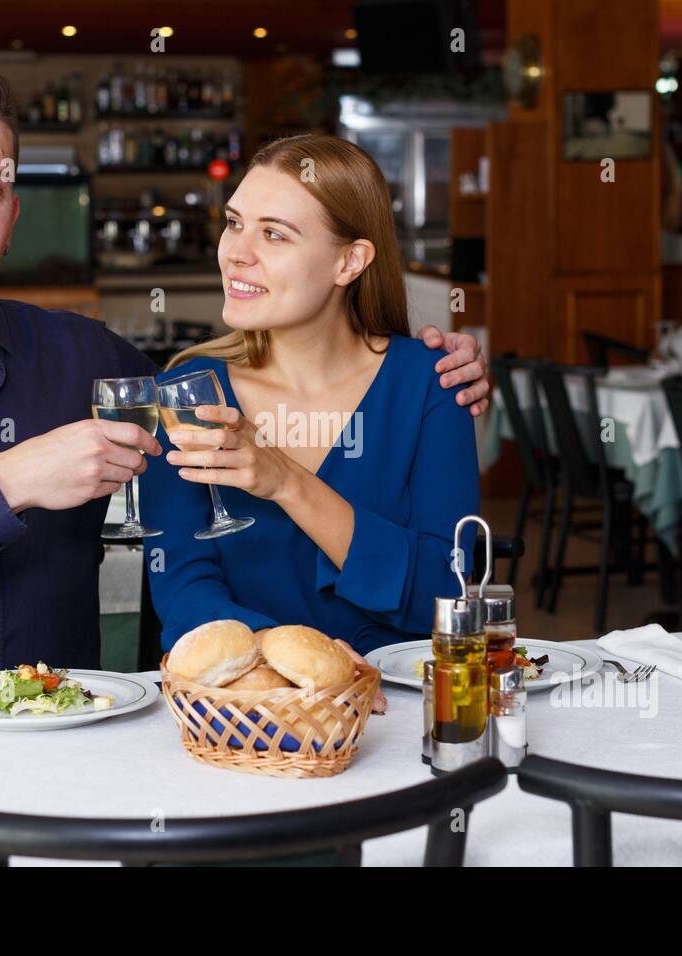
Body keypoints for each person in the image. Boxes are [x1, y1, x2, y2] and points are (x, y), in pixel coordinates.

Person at [0, 65, 492, 694]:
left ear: (12, 213)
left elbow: (243, 388)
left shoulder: (86, 359)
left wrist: (437, 362)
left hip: (68, 745)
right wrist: (5, 483)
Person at [141, 135, 480, 711]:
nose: (236, 252)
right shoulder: (187, 394)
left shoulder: (434, 383)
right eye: (234, 223)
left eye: (274, 234)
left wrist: (286, 482)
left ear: (350, 261)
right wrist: (287, 660)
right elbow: (182, 591)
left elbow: (446, 595)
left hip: (401, 711)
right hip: (244, 712)